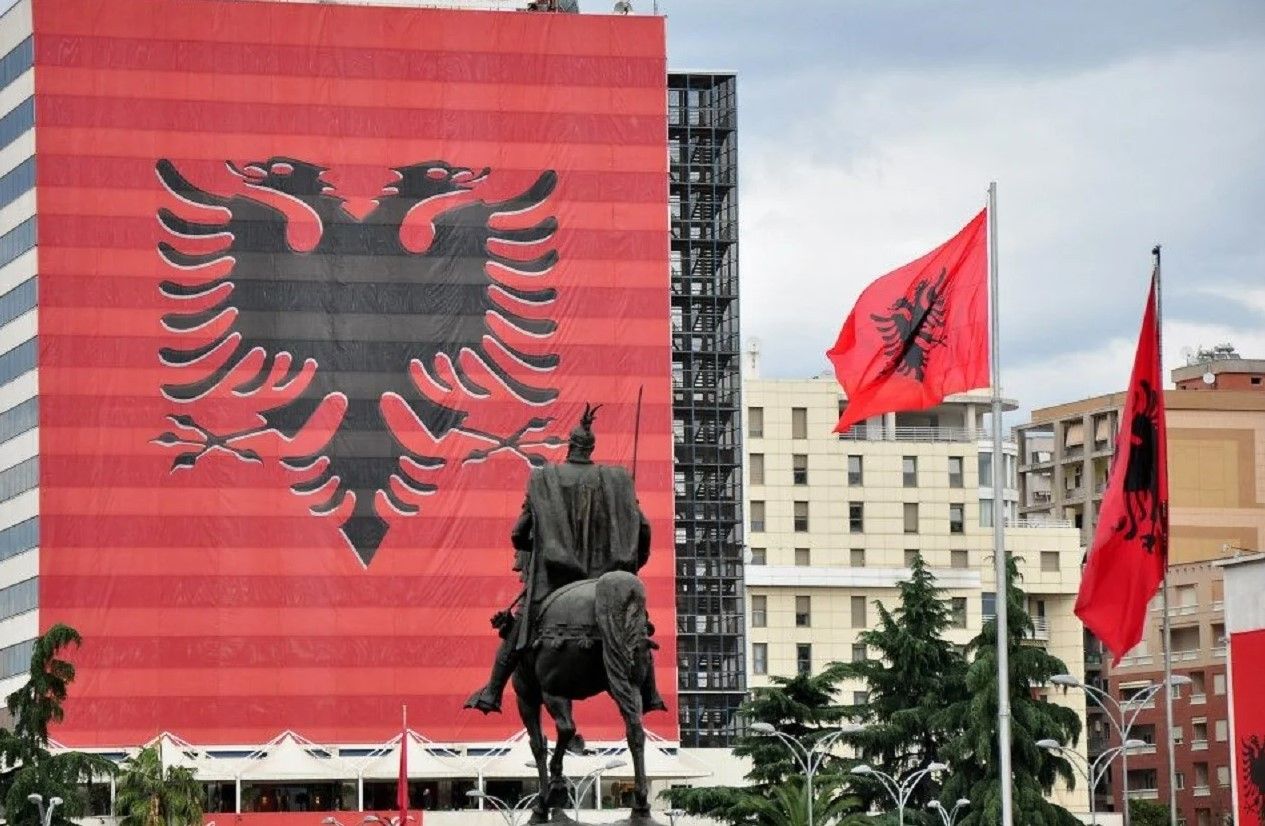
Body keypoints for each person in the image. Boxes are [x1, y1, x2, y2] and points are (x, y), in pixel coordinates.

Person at [465, 404, 666, 714]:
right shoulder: (616, 481)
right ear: (591, 448)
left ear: (570, 446)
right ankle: (650, 693)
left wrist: (539, 543)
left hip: (556, 581)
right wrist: (634, 562)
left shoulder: (546, 480)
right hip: (607, 578)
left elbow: (518, 535)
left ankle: (492, 691)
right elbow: (644, 528)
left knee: (519, 629)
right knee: (637, 627)